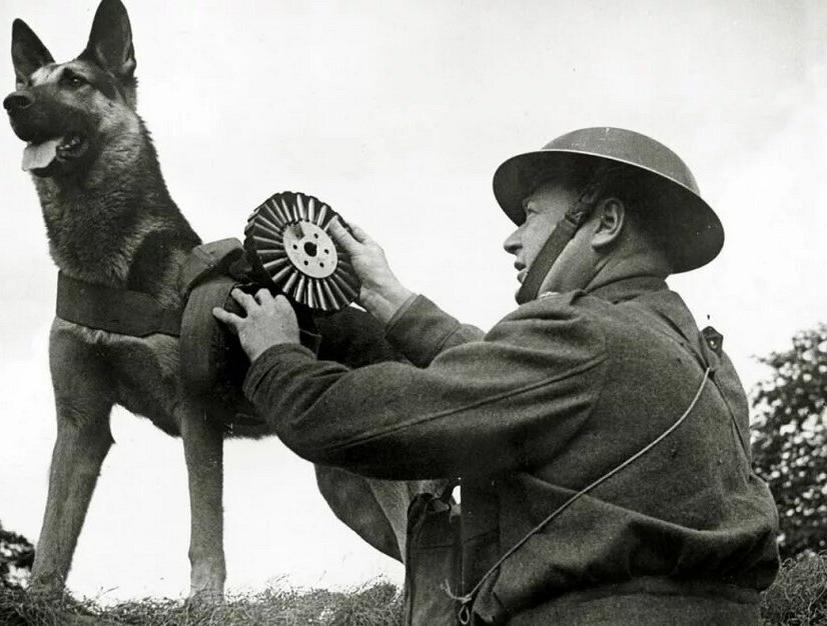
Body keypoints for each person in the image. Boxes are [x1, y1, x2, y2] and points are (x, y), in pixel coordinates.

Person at [213, 127, 780, 625]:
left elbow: (354, 425)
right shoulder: (701, 359)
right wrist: (390, 298)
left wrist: (277, 356)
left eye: (531, 215)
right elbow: (526, 380)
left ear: (605, 223)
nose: (512, 239)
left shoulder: (580, 335)